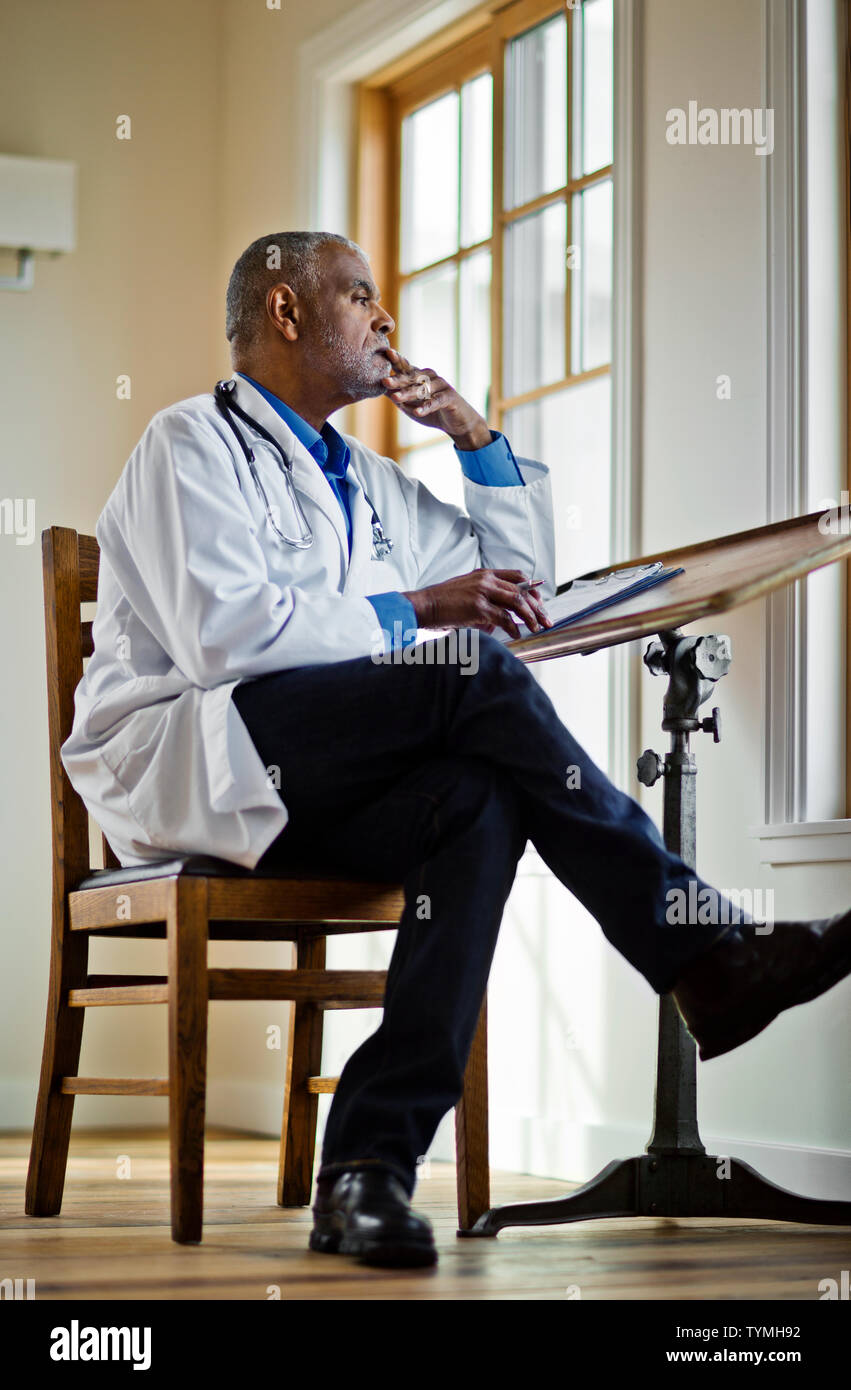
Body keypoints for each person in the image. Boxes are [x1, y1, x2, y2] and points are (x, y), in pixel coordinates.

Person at [61, 231, 851, 1270]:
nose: (382, 319)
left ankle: (365, 1172)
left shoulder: (371, 483)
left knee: (478, 797)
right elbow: (225, 637)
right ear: (285, 310)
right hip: (192, 755)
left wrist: (474, 437)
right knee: (467, 672)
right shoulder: (188, 445)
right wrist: (418, 606)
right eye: (358, 295)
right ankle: (705, 955)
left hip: (318, 774)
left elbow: (518, 585)